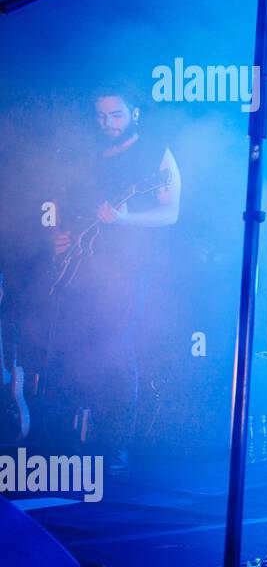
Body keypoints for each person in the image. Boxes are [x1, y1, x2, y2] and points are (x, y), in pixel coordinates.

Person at [48, 87, 181, 475]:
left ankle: (114, 444)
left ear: (135, 113)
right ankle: (68, 437)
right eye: (101, 116)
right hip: (83, 264)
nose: (108, 123)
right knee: (72, 346)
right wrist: (62, 238)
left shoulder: (156, 152)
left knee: (114, 346)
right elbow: (73, 210)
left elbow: (171, 212)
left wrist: (125, 220)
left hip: (130, 265)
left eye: (116, 115)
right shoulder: (89, 155)